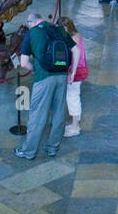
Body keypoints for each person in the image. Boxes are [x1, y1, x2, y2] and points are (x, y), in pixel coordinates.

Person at [13, 11, 75, 161]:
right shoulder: (59, 28)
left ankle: (28, 151)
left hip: (44, 78)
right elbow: (75, 49)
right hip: (61, 75)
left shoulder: (32, 33)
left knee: (37, 115)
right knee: (59, 112)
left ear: (31, 23)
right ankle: (52, 148)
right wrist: (71, 71)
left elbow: (23, 62)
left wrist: (35, 68)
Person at [60, 16, 87, 137]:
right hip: (79, 69)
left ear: (67, 27)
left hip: (76, 71)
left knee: (72, 98)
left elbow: (74, 56)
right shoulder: (76, 35)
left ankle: (75, 127)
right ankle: (75, 122)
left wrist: (72, 73)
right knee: (73, 96)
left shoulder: (73, 38)